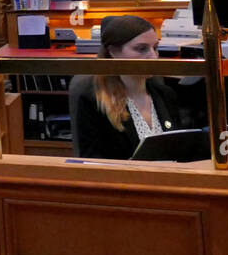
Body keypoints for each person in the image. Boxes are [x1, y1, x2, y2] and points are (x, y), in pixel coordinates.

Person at [69, 15, 184, 159]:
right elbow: (91, 163)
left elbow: (180, 152)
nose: (153, 56)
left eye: (155, 48)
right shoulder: (94, 101)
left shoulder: (166, 94)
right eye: (141, 49)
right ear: (113, 52)